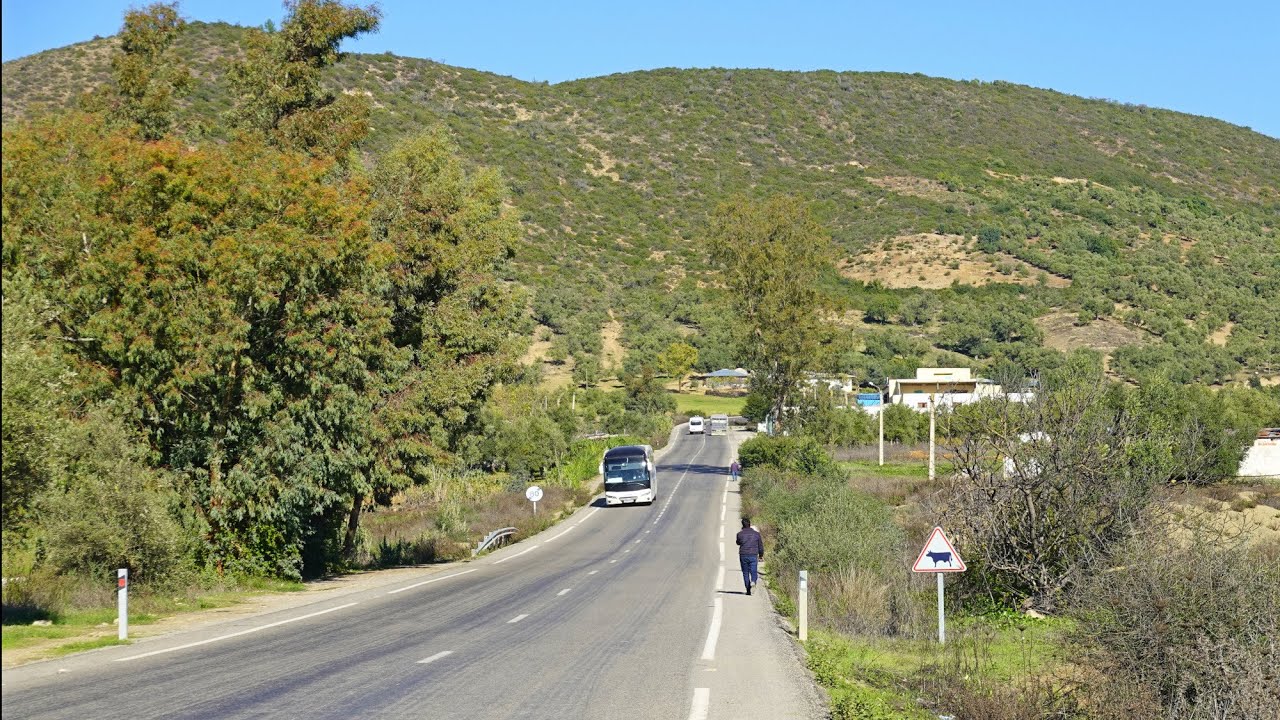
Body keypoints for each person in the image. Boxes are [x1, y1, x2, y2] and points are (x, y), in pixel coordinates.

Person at [735, 517, 764, 595]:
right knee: (753, 571)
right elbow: (760, 546)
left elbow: (738, 543)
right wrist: (761, 555)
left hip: (743, 555)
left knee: (745, 572)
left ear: (742, 525)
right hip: (753, 555)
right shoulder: (757, 534)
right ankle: (753, 581)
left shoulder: (739, 534)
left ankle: (748, 590)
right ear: (750, 524)